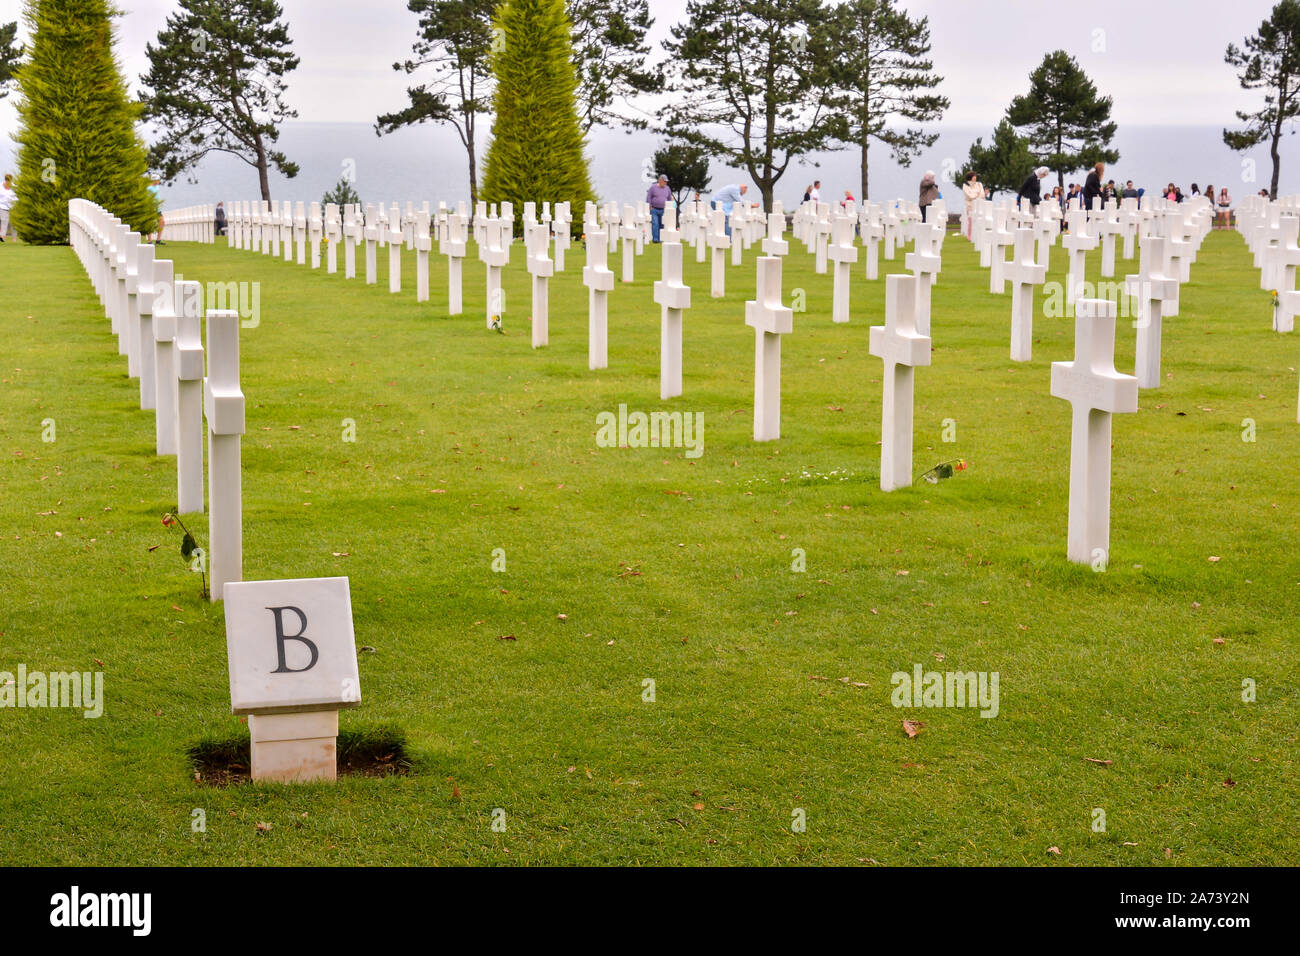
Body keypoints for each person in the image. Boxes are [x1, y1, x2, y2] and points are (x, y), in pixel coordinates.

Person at [645, 173, 672, 243]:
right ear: (660, 180)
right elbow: (649, 197)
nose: (665, 182)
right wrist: (650, 206)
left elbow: (669, 199)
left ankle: (661, 239)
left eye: (666, 181)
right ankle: (655, 239)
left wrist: (669, 208)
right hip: (654, 209)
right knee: (655, 224)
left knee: (662, 225)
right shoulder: (653, 187)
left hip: (663, 210)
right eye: (664, 181)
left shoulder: (667, 189)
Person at [961, 171, 984, 239]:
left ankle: (978, 235)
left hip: (979, 204)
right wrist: (976, 194)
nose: (975, 177)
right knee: (971, 221)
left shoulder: (979, 184)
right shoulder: (965, 185)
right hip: (970, 205)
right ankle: (970, 236)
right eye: (974, 176)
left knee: (979, 220)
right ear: (970, 177)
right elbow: (969, 196)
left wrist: (975, 195)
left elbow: (982, 194)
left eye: (975, 176)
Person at [148, 177, 166, 244]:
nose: (159, 181)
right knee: (149, 224)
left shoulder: (157, 187)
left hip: (157, 209)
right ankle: (149, 241)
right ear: (154, 180)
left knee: (162, 222)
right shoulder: (148, 188)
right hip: (150, 208)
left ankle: (158, 240)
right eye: (158, 180)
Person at [0, 174, 16, 241]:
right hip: (2, 207)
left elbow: (16, 197)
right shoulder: (0, 186)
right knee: (4, 222)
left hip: (13, 207)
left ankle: (14, 238)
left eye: (9, 180)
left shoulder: (14, 187)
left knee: (13, 223)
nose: (8, 182)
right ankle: (3, 237)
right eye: (7, 180)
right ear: (5, 179)